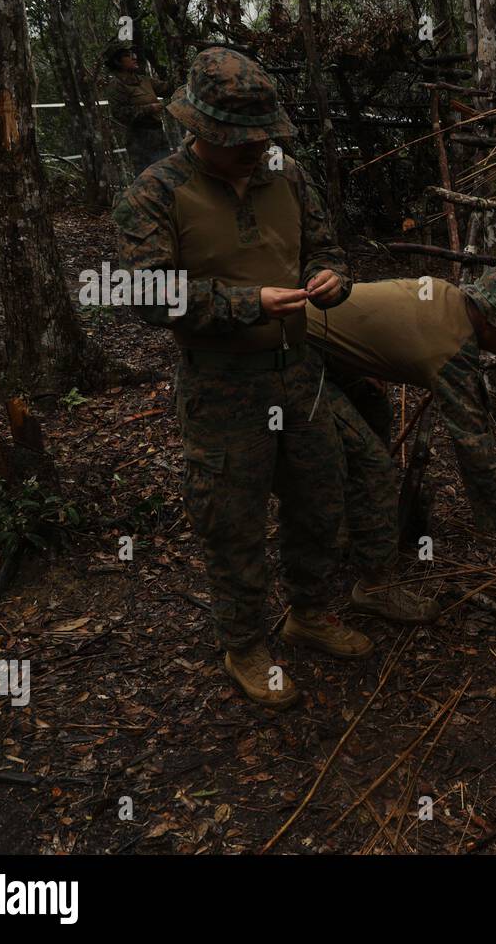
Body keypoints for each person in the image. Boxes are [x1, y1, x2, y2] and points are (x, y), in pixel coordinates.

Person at [114, 47, 366, 710]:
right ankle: (244, 645)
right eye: (240, 141)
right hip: (222, 384)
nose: (256, 151)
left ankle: (310, 612)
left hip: (298, 371)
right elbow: (143, 298)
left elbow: (328, 251)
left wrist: (334, 281)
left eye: (263, 139)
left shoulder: (289, 174)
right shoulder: (155, 192)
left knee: (319, 497)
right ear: (201, 131)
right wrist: (244, 304)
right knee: (232, 517)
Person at [307, 268, 496, 591]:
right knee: (375, 467)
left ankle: (351, 528)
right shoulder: (451, 350)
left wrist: (356, 363)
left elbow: (372, 319)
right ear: (492, 321)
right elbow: (477, 453)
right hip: (292, 356)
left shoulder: (445, 294)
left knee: (374, 409)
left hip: (319, 348)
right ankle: (375, 588)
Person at [102, 41, 172, 176]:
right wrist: (149, 108)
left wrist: (179, 69)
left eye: (133, 54)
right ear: (117, 61)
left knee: (168, 174)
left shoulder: (144, 80)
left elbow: (168, 88)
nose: (134, 57)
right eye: (128, 55)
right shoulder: (116, 85)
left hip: (158, 134)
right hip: (140, 140)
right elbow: (119, 113)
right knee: (150, 179)